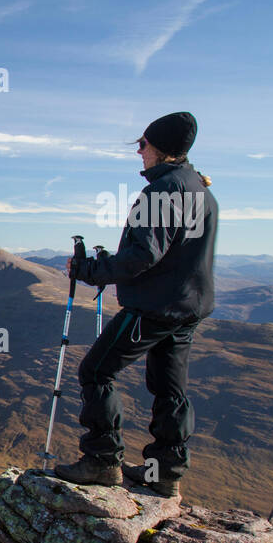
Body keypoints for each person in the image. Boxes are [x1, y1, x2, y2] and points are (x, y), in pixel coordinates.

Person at [53, 111, 218, 498]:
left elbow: (143, 257)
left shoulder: (161, 192)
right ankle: (164, 471)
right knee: (169, 387)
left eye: (142, 145)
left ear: (160, 149)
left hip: (154, 307)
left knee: (95, 371)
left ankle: (102, 460)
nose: (138, 152)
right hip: (187, 307)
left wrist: (90, 269)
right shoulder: (199, 188)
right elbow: (169, 252)